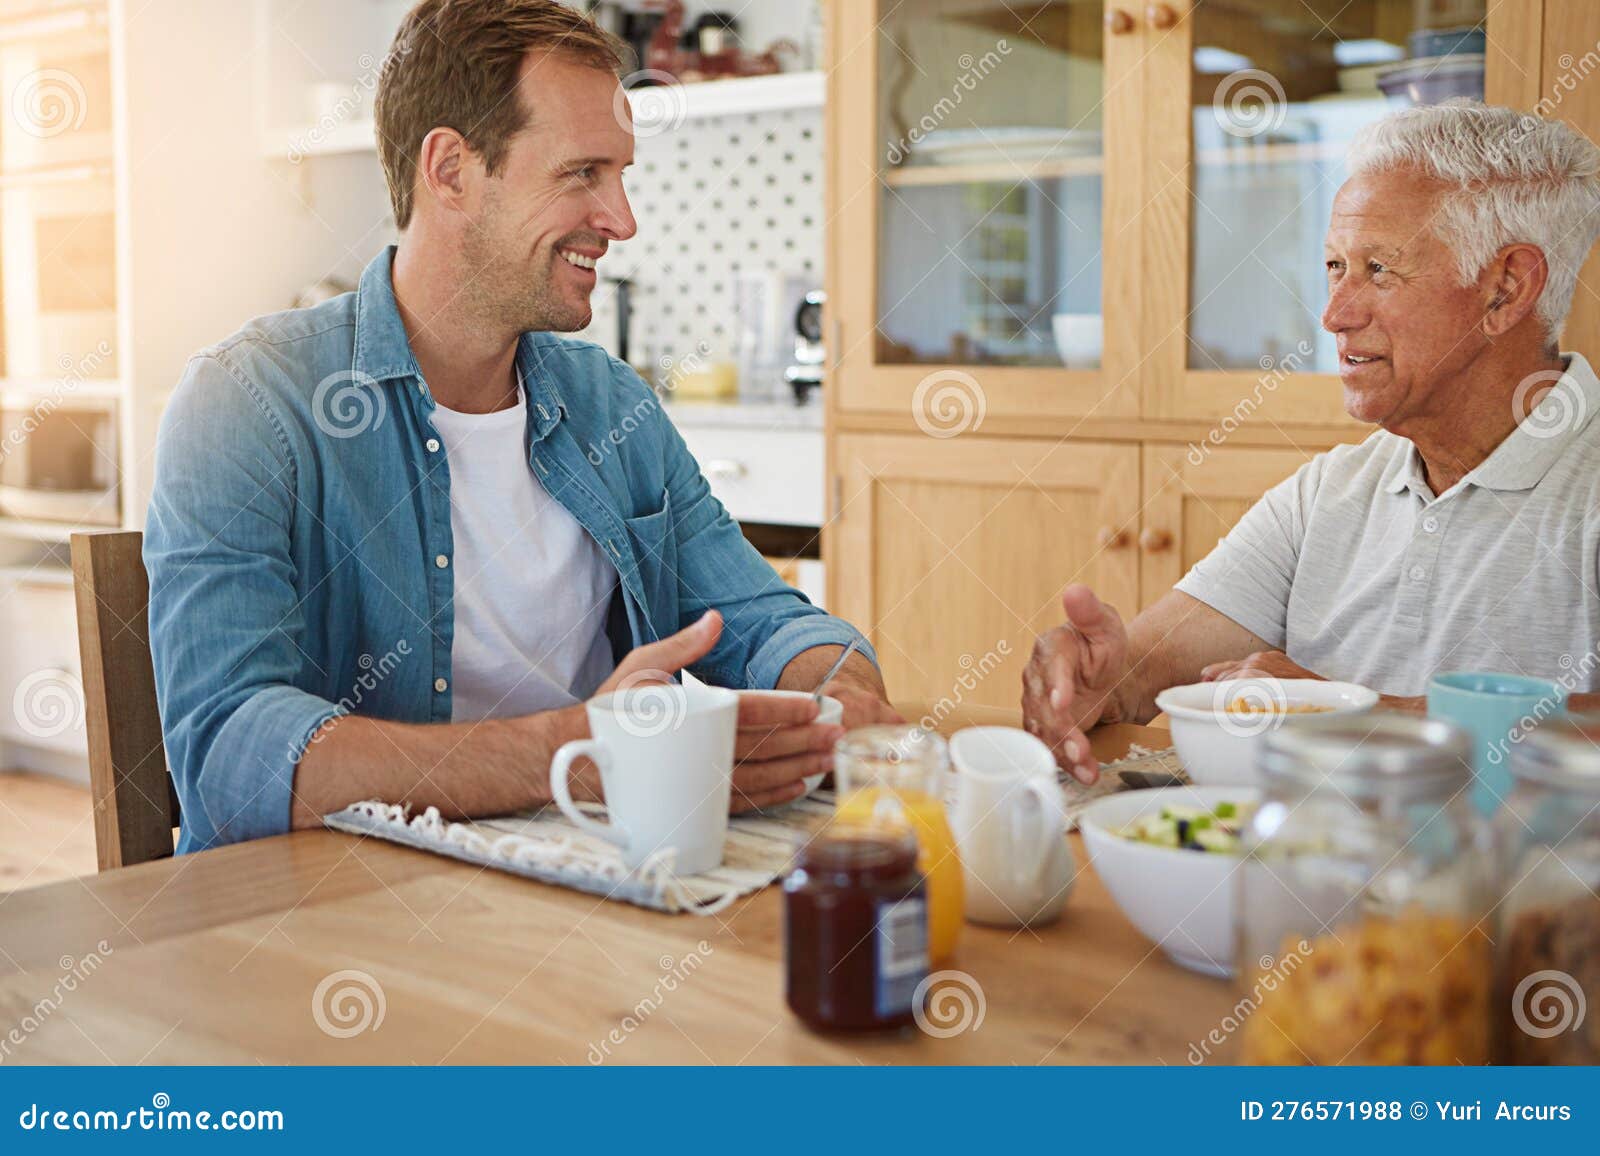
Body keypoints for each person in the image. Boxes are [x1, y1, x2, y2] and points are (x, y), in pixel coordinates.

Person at [144, 0, 897, 851]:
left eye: (622, 175)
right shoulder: (248, 404)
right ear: (452, 170)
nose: (622, 219)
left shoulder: (613, 408)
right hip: (336, 926)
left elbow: (767, 621)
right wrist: (583, 755)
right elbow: (232, 757)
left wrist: (841, 703)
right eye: (582, 174)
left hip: (593, 895)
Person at [1024, 101, 1600, 782]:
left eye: (1379, 270)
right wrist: (1092, 678)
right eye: (1334, 266)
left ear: (1505, 289)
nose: (1334, 315)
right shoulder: (1328, 492)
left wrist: (1360, 718)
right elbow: (1143, 666)